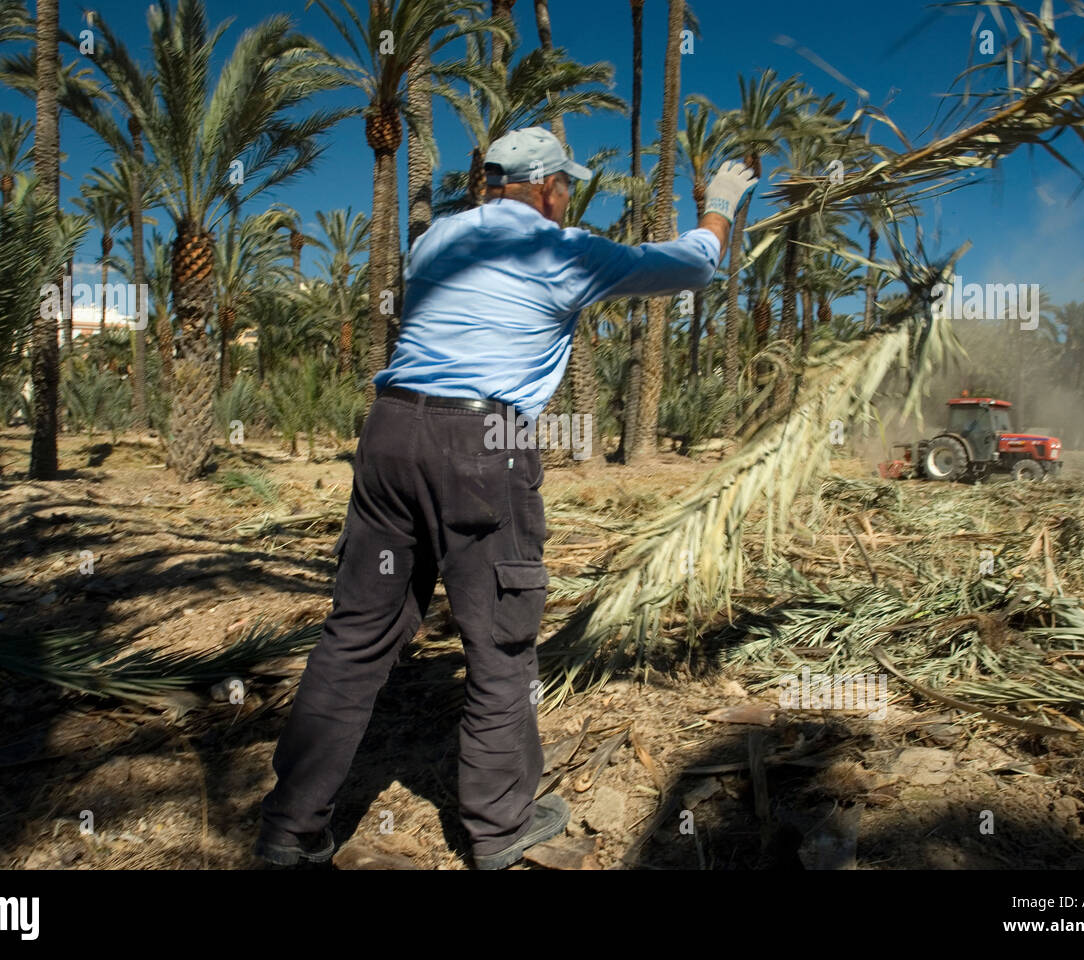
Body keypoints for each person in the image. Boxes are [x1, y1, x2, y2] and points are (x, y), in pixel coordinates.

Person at [256, 126, 757, 870]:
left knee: (356, 633)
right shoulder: (563, 251)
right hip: (480, 446)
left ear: (491, 182)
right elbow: (688, 266)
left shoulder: (435, 240)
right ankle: (498, 827)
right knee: (500, 643)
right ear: (551, 187)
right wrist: (720, 205)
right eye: (566, 188)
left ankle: (290, 830)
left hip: (391, 435)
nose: (568, 199)